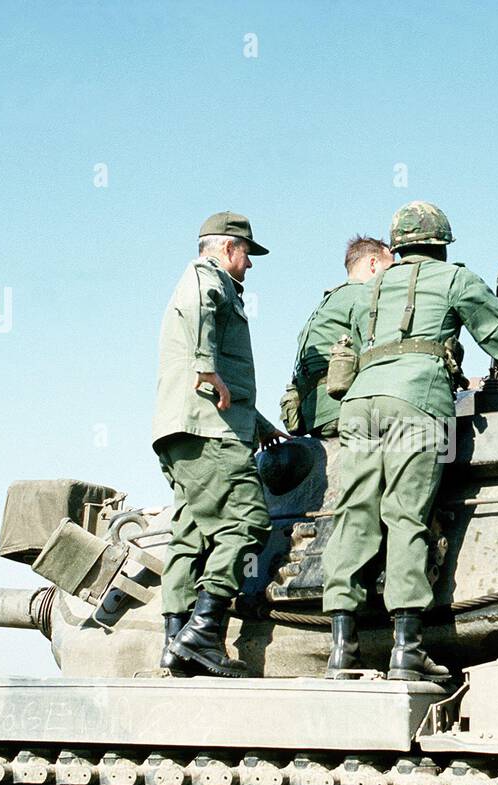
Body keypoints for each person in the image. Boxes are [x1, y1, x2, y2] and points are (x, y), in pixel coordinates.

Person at [321, 201, 498, 682]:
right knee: (406, 514)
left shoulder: (368, 288)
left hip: (359, 405)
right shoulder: (454, 279)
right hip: (418, 401)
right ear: (442, 241)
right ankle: (406, 650)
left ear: (397, 245)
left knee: (355, 514)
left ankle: (342, 650)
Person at [152, 211, 285, 679]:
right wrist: (206, 365)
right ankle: (203, 633)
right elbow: (204, 308)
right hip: (211, 430)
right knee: (248, 519)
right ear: (229, 248)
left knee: (191, 533)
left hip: (184, 428)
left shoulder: (194, 282)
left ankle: (176, 644)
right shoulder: (207, 279)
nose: (249, 265)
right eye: (247, 254)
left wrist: (261, 424)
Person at [287, 236, 393, 437]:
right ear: (373, 264)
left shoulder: (328, 302)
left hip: (314, 415)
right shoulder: (366, 296)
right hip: (344, 411)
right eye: (390, 269)